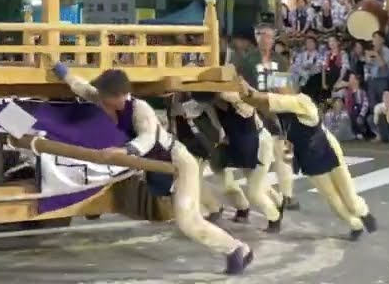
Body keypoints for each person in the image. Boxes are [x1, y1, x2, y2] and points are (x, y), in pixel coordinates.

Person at [51, 61, 253, 274]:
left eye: (104, 94)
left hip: (178, 162)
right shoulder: (106, 100)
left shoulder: (140, 108)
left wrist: (125, 150)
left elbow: (148, 137)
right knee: (190, 219)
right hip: (157, 165)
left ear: (118, 94)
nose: (100, 98)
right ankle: (237, 248)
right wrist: (65, 74)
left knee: (188, 221)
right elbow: (85, 90)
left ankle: (236, 249)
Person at [239, 77, 376, 240]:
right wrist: (246, 92)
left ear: (291, 88)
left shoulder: (301, 101)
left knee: (348, 194)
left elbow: (264, 99)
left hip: (326, 147)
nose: (276, 91)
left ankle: (363, 212)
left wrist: (246, 91)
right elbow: (261, 102)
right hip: (309, 156)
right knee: (331, 198)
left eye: (280, 88)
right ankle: (356, 224)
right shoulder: (283, 110)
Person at [237, 23, 297, 210]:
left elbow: (285, 87)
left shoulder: (279, 60)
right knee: (263, 155)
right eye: (262, 35)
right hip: (256, 111)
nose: (266, 39)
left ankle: (287, 194)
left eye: (270, 36)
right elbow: (243, 87)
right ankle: (266, 192)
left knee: (284, 154)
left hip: (278, 111)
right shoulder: (248, 61)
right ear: (256, 37)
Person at [208, 91, 284, 233]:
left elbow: (237, 98)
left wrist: (217, 90)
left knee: (254, 191)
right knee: (255, 181)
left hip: (258, 142)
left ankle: (274, 219)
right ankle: (279, 203)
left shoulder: (239, 101)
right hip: (240, 144)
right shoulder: (212, 105)